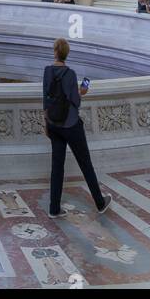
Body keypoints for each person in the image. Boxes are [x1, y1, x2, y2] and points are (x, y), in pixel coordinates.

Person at [42, 38, 111, 218]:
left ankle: (54, 208)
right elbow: (76, 102)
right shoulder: (70, 74)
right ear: (67, 54)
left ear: (55, 51)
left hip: (53, 124)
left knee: (56, 167)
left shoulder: (47, 71)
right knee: (85, 164)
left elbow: (45, 100)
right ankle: (100, 202)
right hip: (71, 125)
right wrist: (82, 91)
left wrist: (46, 125)